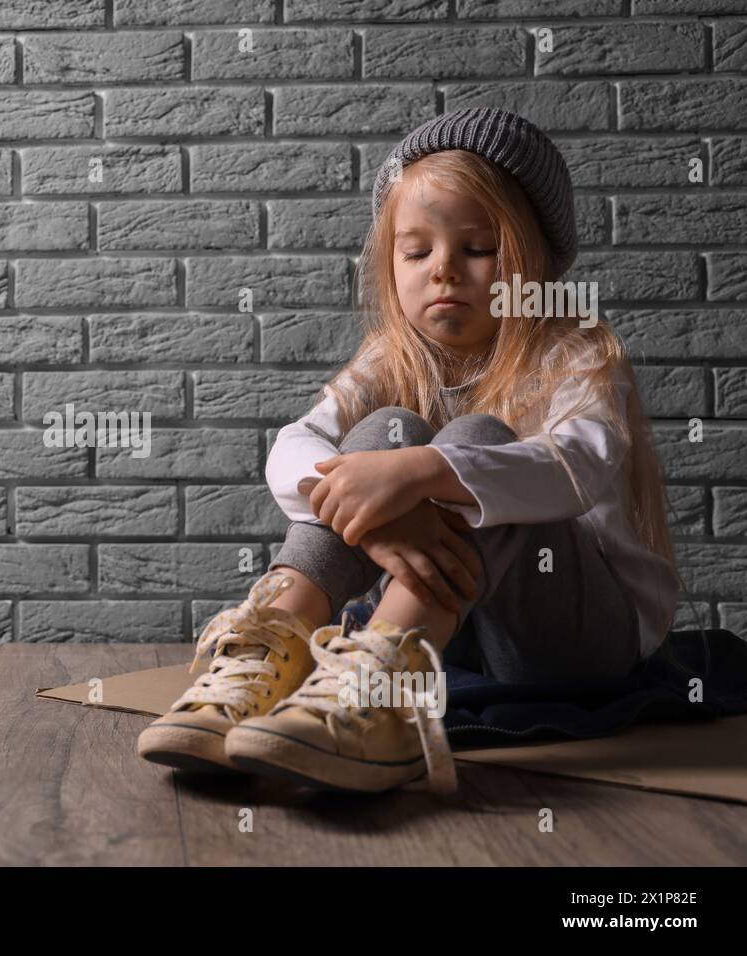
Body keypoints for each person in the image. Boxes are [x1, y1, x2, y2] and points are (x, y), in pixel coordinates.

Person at [138, 108, 682, 795]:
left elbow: (574, 468)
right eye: (417, 250)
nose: (444, 271)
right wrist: (387, 508)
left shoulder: (575, 352)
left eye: (478, 248)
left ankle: (375, 694)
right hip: (453, 635)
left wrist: (424, 472)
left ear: (534, 258)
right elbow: (290, 450)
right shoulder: (393, 358)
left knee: (472, 441)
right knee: (381, 432)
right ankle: (262, 658)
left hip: (573, 642)